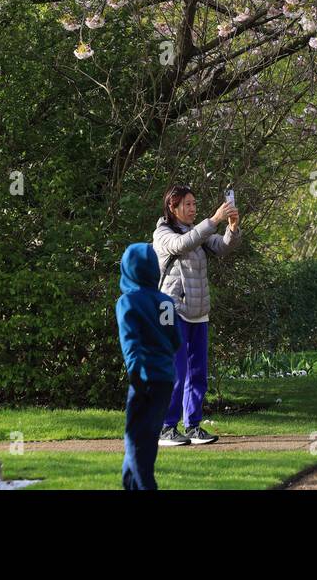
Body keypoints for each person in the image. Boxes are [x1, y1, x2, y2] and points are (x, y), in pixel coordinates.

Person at [153, 183, 240, 447]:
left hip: (199, 311)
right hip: (172, 310)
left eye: (194, 204)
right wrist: (213, 220)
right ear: (173, 207)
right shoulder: (163, 233)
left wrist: (232, 226)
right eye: (187, 204)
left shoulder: (197, 232)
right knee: (176, 371)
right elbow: (181, 245)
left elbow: (223, 247)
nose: (193, 209)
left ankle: (192, 426)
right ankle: (166, 428)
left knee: (198, 373)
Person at [116, 242, 179, 490]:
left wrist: (136, 375)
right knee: (149, 436)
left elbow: (130, 343)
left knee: (134, 439)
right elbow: (175, 340)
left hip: (143, 377)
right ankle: (129, 484)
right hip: (166, 378)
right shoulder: (166, 302)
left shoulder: (127, 302)